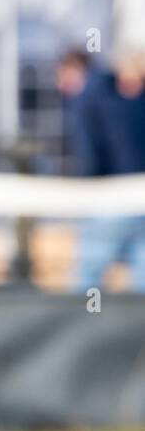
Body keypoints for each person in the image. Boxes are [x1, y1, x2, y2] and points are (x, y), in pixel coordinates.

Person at [61, 48, 145, 292]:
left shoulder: (95, 99)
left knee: (90, 278)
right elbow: (90, 154)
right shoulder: (98, 99)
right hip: (110, 202)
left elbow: (89, 154)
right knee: (90, 278)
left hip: (117, 204)